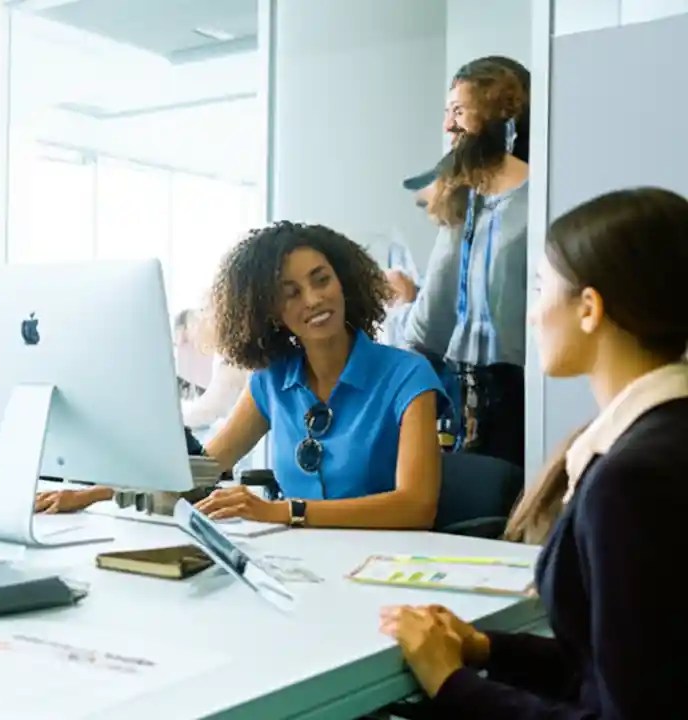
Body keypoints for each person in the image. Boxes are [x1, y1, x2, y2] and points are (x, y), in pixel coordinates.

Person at [381, 187, 688, 718]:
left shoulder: (634, 478)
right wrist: (487, 648)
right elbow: (623, 668)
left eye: (541, 287)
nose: (530, 314)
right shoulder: (659, 440)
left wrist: (452, 684)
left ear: (589, 308)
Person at [37, 222, 447, 530]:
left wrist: (283, 512)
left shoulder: (407, 375)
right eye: (291, 293)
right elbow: (202, 470)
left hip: (386, 565)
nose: (314, 298)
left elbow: (416, 506)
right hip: (308, 563)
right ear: (271, 313)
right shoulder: (272, 381)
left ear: (343, 282)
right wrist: (95, 493)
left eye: (321, 280)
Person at [392, 57, 531, 467]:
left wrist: (403, 311)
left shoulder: (538, 198)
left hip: (520, 399)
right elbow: (436, 315)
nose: (447, 127)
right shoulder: (462, 200)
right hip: (457, 395)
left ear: (501, 111)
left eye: (458, 111)